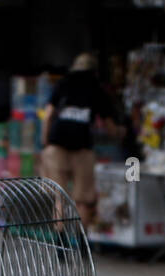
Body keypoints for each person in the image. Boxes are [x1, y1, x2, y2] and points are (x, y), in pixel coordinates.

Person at [40, 53, 117, 230]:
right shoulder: (97, 89)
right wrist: (119, 134)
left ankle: (60, 243)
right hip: (82, 147)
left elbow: (49, 115)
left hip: (57, 144)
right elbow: (109, 126)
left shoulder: (63, 84)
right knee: (83, 198)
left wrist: (45, 142)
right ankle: (81, 244)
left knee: (59, 196)